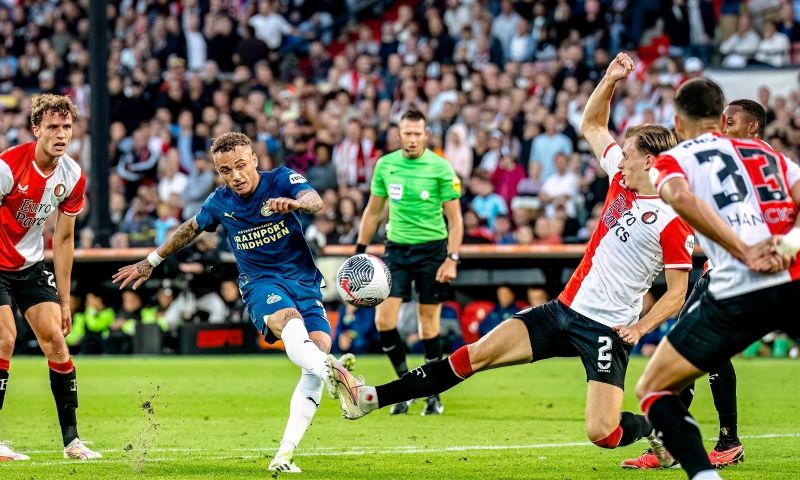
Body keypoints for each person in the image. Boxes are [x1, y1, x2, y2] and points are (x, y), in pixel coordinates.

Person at [333, 54, 694, 461]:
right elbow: (593, 124)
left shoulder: (671, 217)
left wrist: (642, 327)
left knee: (603, 433)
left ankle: (660, 427)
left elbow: (677, 292)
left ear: (648, 160)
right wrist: (610, 80)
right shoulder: (620, 179)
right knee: (474, 355)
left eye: (627, 153)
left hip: (608, 330)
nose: (620, 158)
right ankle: (369, 397)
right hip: (563, 310)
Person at [112, 132, 352, 473]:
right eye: (226, 170)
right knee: (289, 320)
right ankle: (338, 374)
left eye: (240, 165)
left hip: (303, 282)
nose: (235, 175)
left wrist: (296, 204)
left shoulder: (281, 179)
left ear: (254, 159)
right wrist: (150, 261)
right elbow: (190, 229)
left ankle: (284, 454)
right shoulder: (221, 201)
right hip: (260, 283)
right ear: (218, 171)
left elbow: (315, 200)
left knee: (315, 358)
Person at [636, 78, 800, 480]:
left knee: (653, 388)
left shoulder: (673, 160)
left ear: (678, 120)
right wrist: (788, 244)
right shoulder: (766, 152)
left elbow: (678, 196)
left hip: (738, 291)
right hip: (793, 279)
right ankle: (726, 442)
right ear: (722, 116)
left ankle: (704, 474)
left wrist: (744, 251)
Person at [622, 98, 770, 470]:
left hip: (739, 272)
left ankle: (699, 441)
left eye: (731, 121)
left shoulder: (756, 158)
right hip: (723, 268)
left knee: (690, 349)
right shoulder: (739, 159)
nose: (724, 126)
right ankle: (696, 442)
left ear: (752, 127)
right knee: (696, 351)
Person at [0, 94, 100, 460]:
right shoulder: (8, 166)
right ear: (36, 129)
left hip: (29, 267)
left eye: (67, 127)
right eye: (53, 127)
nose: (61, 134)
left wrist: (64, 300)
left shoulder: (72, 175)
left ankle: (72, 441)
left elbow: (64, 237)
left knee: (57, 342)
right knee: (5, 338)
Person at [355, 109, 464, 416]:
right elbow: (373, 211)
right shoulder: (386, 165)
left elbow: (455, 220)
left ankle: (433, 394)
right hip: (397, 251)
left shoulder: (441, 168)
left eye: (418, 134)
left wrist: (452, 258)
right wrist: (361, 249)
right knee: (384, 321)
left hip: (432, 251)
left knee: (428, 325)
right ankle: (405, 387)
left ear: (426, 135)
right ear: (398, 134)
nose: (413, 139)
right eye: (407, 133)